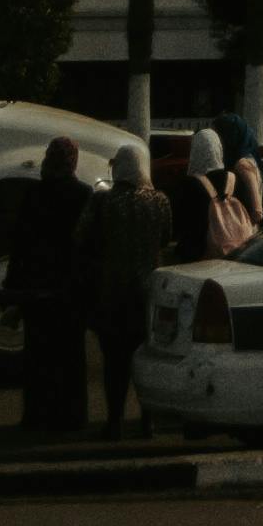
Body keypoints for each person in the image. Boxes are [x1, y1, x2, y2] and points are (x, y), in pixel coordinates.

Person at [10, 137, 93, 440]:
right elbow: (88, 246)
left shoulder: (33, 194)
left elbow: (20, 242)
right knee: (71, 355)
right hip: (71, 288)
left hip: (37, 285)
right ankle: (71, 417)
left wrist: (13, 286)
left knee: (38, 354)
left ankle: (36, 416)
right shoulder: (84, 194)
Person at [86, 139, 170, 433]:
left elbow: (82, 238)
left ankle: (114, 422)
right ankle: (147, 420)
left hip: (111, 293)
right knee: (146, 359)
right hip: (148, 293)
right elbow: (165, 239)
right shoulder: (159, 201)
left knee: (114, 362)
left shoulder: (103, 201)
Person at [166, 124, 229, 264]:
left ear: (195, 151)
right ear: (218, 149)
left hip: (197, 255)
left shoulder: (189, 185)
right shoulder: (234, 179)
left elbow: (177, 222)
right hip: (231, 252)